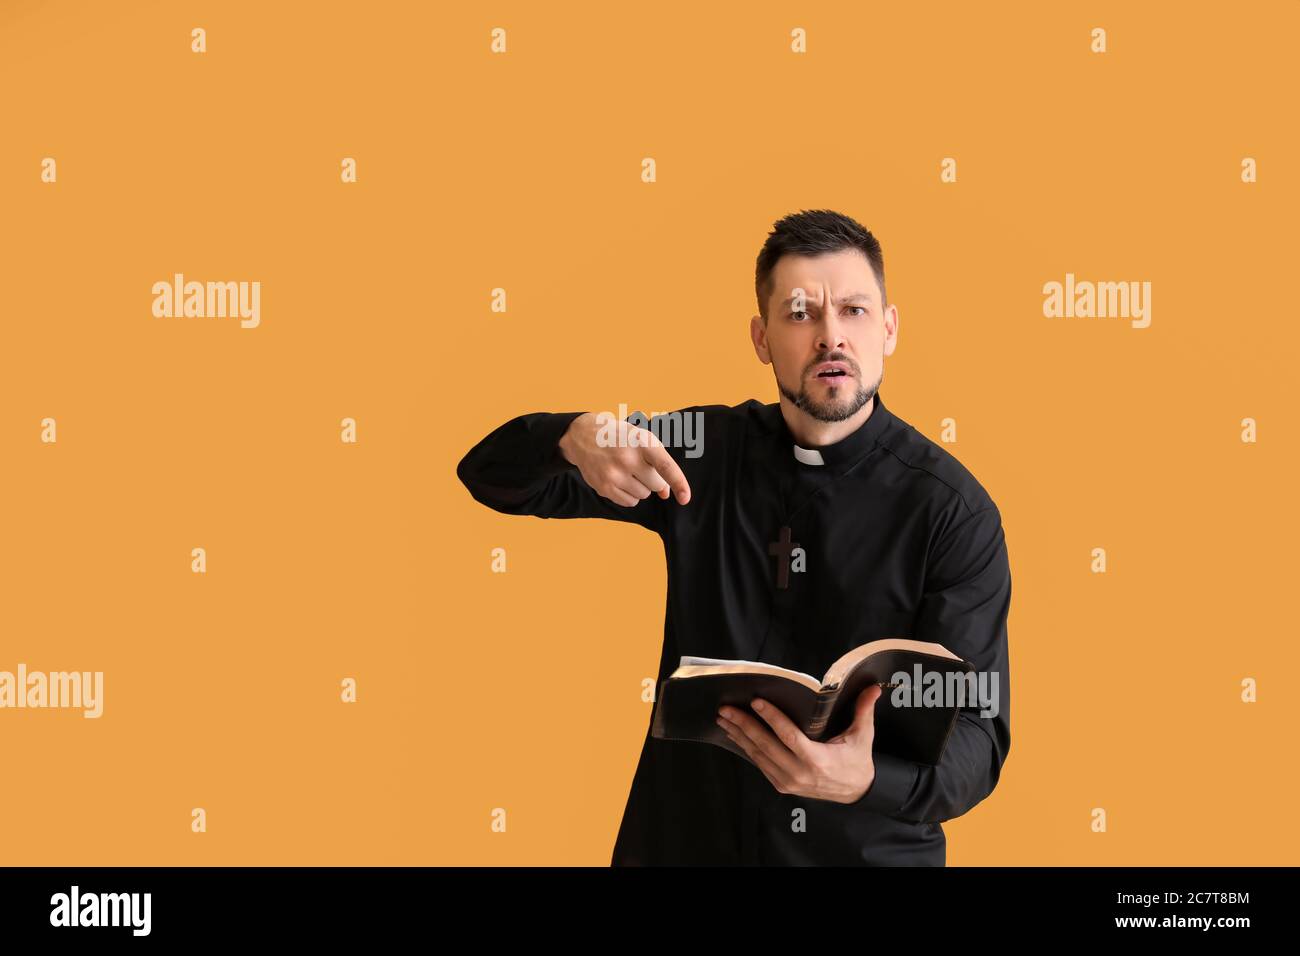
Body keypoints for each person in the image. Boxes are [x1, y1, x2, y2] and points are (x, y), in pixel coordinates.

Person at [456, 209, 1012, 865]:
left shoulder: (953, 511)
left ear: (889, 330)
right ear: (762, 338)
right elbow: (489, 475)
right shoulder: (699, 453)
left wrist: (865, 779)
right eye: (801, 314)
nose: (831, 336)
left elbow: (980, 732)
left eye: (855, 312)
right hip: (683, 843)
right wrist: (569, 435)